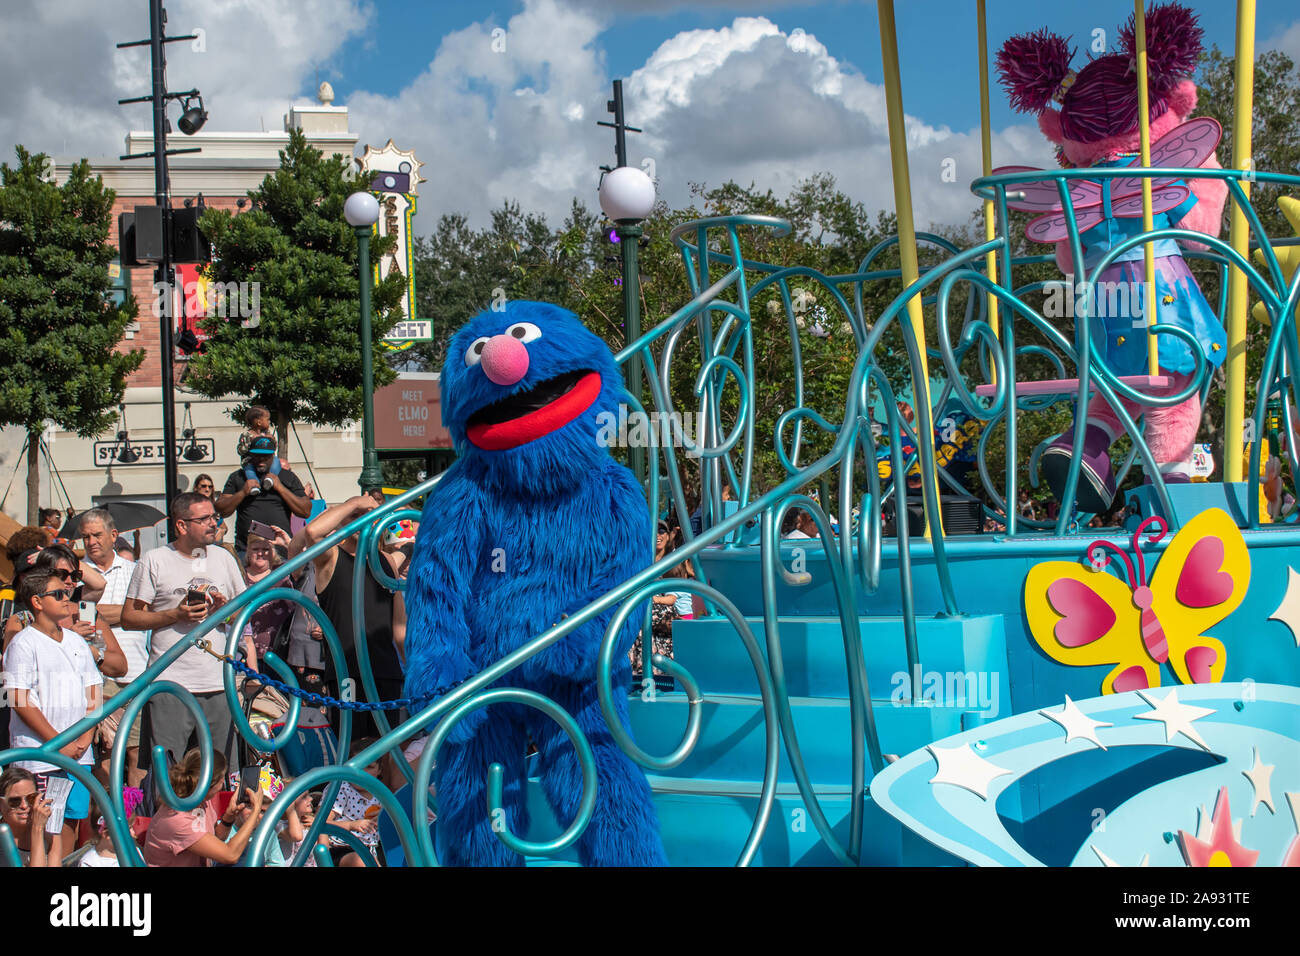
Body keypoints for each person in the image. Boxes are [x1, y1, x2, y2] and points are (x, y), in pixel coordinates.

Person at [122, 491, 247, 773]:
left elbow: (244, 615)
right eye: (204, 519)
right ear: (181, 525)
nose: (213, 523)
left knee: (220, 772)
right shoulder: (155, 560)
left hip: (218, 681)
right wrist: (174, 615)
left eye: (214, 516)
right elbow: (129, 617)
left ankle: (219, 819)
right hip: (169, 683)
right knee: (168, 771)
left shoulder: (224, 559)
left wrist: (223, 611)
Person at [2, 568, 103, 851]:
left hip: (78, 757)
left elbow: (94, 692)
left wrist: (83, 739)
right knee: (36, 828)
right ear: (36, 602)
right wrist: (59, 744)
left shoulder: (77, 642)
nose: (66, 598)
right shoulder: (23, 644)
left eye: (67, 592)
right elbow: (19, 698)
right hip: (41, 756)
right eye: (58, 594)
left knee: (67, 827)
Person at [289, 493, 405, 738]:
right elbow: (313, 534)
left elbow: (399, 628)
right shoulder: (330, 556)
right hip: (346, 671)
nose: (363, 521)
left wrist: (413, 667)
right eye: (355, 517)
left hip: (386, 670)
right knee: (353, 746)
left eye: (368, 516)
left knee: (389, 748)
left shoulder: (386, 562)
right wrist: (352, 503)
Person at [80, 508, 150, 788]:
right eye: (85, 537)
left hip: (137, 672)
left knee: (136, 753)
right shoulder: (76, 575)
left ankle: (132, 819)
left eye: (96, 534)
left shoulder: (136, 570)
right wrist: (126, 614)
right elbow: (81, 617)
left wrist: (101, 613)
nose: (91, 541)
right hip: (97, 674)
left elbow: (147, 612)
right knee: (103, 754)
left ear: (113, 535)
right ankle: (106, 819)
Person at [142, 749, 265, 867]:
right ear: (210, 784)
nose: (223, 782)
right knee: (250, 858)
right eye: (222, 778)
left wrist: (229, 816)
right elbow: (230, 855)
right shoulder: (176, 819)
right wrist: (255, 811)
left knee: (251, 853)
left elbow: (216, 838)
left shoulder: (200, 799)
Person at [216, 437, 311, 559]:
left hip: (280, 551)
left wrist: (280, 488)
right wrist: (243, 492)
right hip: (246, 551)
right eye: (257, 455)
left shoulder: (287, 477)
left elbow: (305, 510)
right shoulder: (238, 477)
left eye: (265, 456)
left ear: (273, 456)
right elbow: (221, 509)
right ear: (250, 455)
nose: (261, 460)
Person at [0, 766, 60, 866]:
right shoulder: (2, 840)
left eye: (31, 798)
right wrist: (37, 829)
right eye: (15, 801)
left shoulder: (50, 834)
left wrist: (39, 829)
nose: (24, 805)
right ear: (1, 803)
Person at [236, 406, 282, 494]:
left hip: (266, 461)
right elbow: (240, 451)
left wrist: (272, 441)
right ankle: (254, 485)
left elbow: (273, 449)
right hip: (250, 461)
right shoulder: (247, 435)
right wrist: (251, 442)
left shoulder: (266, 434)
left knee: (276, 462)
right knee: (249, 470)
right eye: (267, 419)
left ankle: (269, 479)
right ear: (259, 422)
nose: (269, 422)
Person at [193, 473, 230, 546]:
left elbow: (223, 526)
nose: (207, 489)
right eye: (203, 486)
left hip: (216, 547)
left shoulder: (214, 507)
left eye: (210, 487)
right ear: (196, 488)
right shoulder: (192, 506)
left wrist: (222, 531)